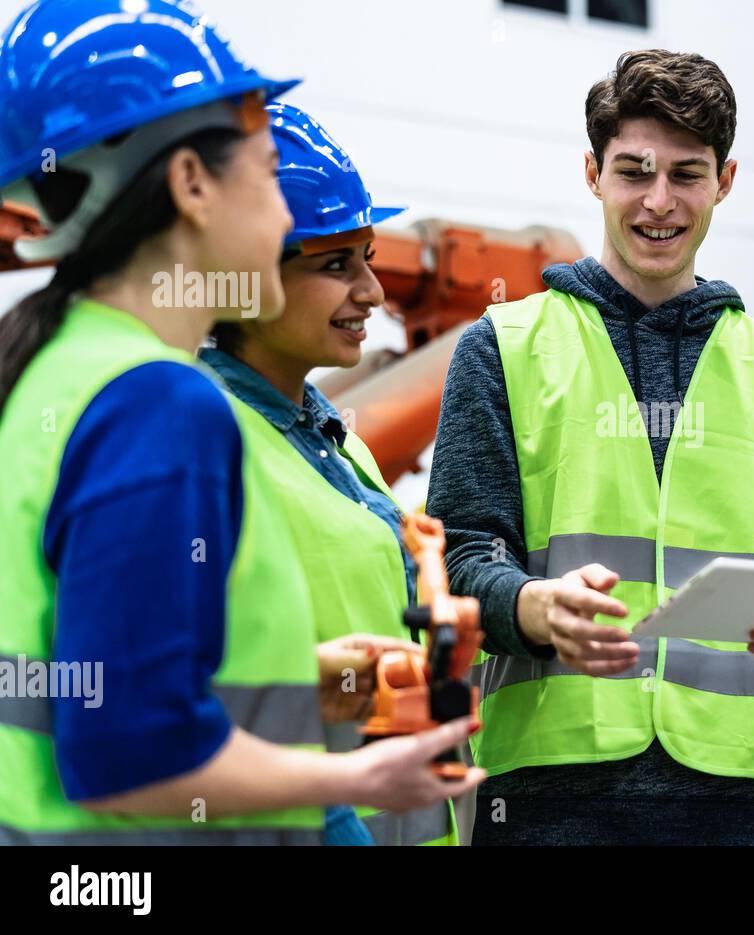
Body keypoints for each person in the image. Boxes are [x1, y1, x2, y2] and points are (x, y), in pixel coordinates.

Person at [0, 0, 482, 845]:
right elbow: (133, 754)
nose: (282, 219)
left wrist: (314, 682)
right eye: (267, 175)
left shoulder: (58, 369)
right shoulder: (158, 402)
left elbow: (106, 676)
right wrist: (360, 773)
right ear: (191, 184)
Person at [427, 49, 754, 846]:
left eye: (687, 174)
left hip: (747, 801)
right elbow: (459, 560)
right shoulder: (503, 345)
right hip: (549, 799)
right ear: (593, 173)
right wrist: (531, 605)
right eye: (634, 171)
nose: (659, 201)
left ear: (726, 181)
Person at [202, 102, 456, 846]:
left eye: (369, 258)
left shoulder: (336, 441)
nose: (373, 292)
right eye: (336, 264)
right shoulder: (205, 438)